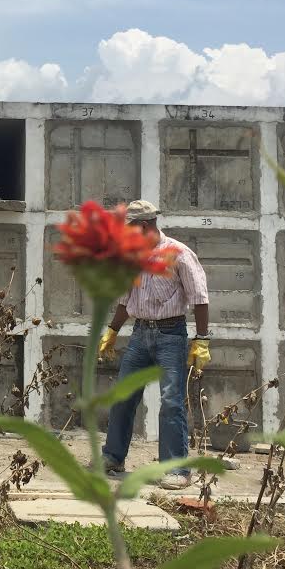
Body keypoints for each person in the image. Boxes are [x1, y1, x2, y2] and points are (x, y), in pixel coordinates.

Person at [98, 200, 211, 490]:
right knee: (124, 396)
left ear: (145, 227)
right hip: (140, 335)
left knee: (171, 402)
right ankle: (113, 457)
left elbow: (199, 297)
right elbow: (127, 300)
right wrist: (111, 330)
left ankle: (177, 470)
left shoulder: (179, 254)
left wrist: (201, 339)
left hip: (170, 336)